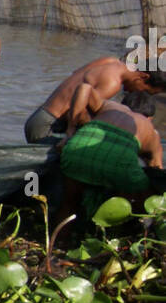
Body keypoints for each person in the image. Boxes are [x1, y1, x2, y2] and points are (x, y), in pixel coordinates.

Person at [57, 91, 162, 226]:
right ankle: (142, 233)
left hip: (78, 148)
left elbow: (85, 88)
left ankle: (60, 241)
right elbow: (156, 169)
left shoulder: (110, 106)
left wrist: (70, 129)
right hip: (119, 161)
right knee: (146, 202)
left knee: (69, 203)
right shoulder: (150, 130)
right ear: (150, 119)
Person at [24, 55, 166, 144]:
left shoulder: (110, 61)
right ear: (143, 77)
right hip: (49, 126)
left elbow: (75, 74)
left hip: (38, 117)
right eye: (146, 91)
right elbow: (75, 113)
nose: (135, 93)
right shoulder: (112, 84)